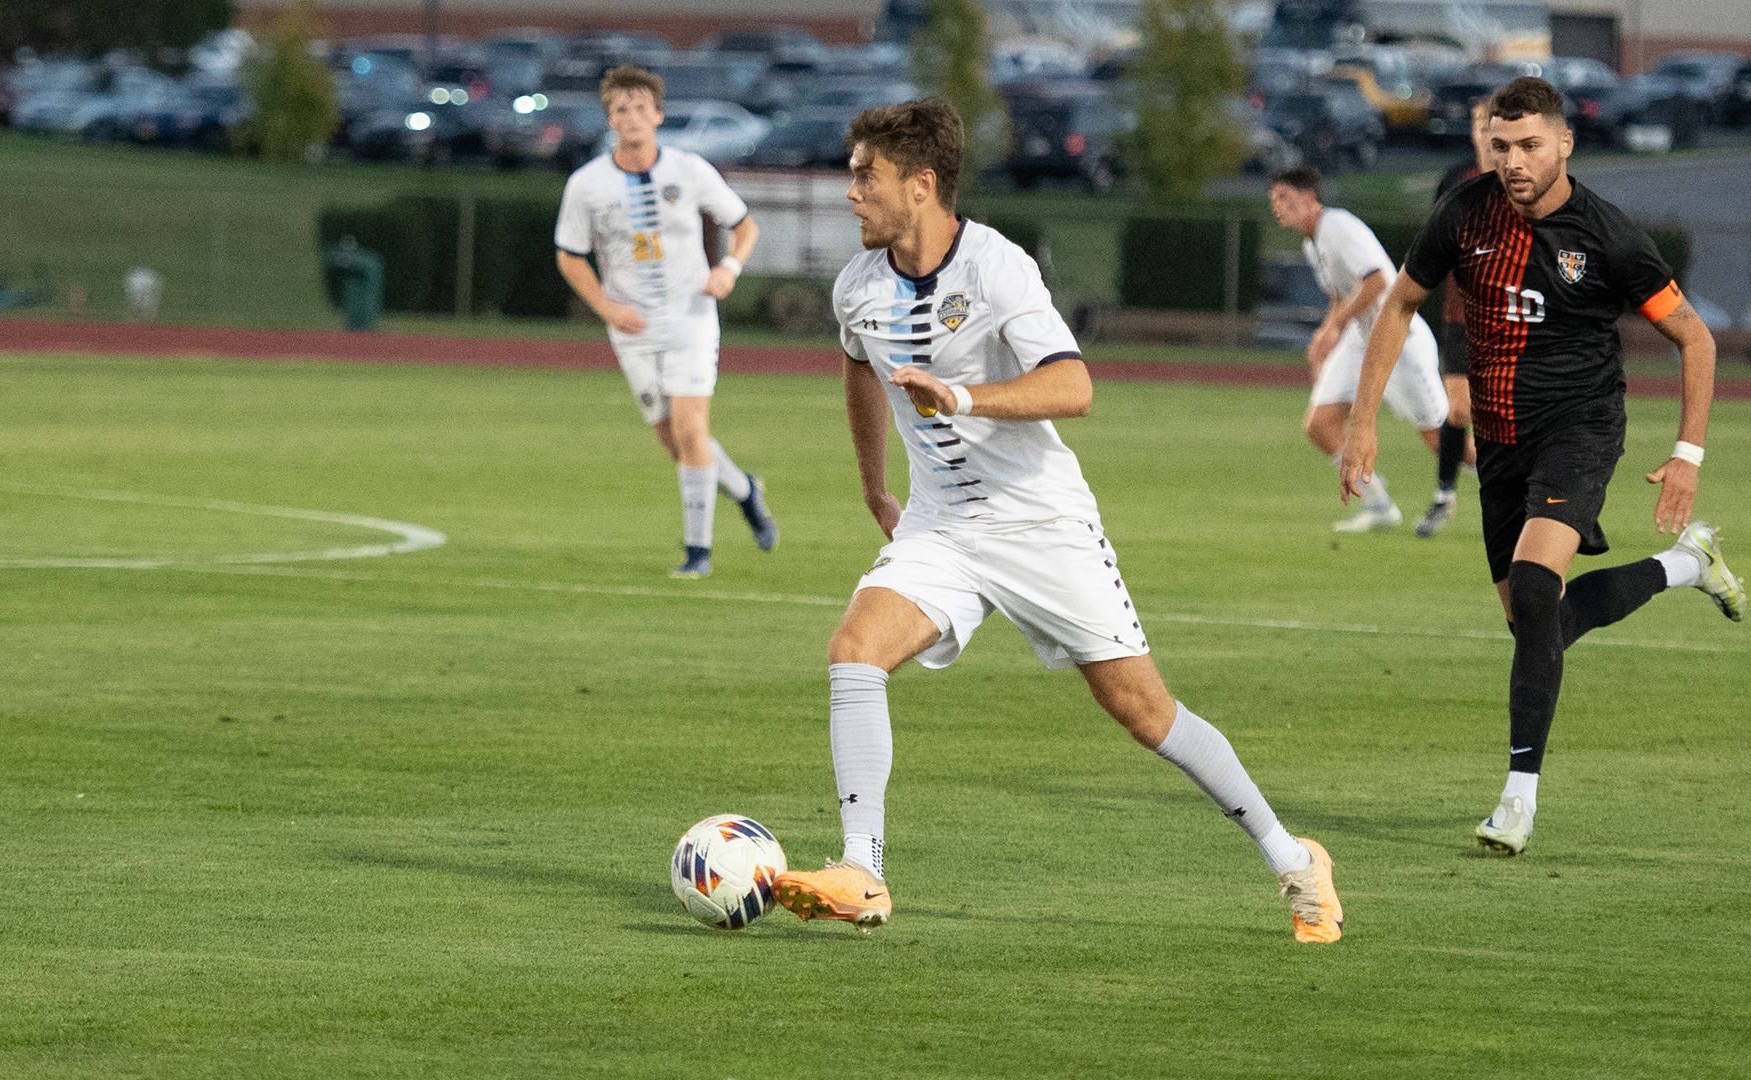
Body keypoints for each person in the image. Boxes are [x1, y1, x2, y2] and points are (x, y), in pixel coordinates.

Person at [769, 99, 1344, 943]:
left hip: (1042, 523)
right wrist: (874, 485)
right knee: (854, 651)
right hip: (942, 524)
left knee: (1145, 713)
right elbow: (859, 371)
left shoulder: (997, 268)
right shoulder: (857, 287)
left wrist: (963, 397)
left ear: (922, 185)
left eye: (866, 177)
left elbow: (1075, 387)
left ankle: (1295, 859)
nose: (850, 192)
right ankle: (863, 870)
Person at [1338, 77, 1746, 856]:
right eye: (1501, 146)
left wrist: (1686, 455)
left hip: (1581, 429)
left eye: (1529, 146)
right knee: (1539, 625)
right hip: (1500, 442)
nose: (1515, 161)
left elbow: (1697, 338)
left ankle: (1517, 800)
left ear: (1564, 144)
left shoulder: (1608, 236)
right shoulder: (1464, 213)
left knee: (1532, 587)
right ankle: (1687, 566)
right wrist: (1363, 423)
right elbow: (1398, 304)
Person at [554, 65, 777, 579]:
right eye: (619, 109)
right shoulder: (586, 184)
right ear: (609, 119)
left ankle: (697, 554)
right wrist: (606, 307)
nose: (630, 117)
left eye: (639, 107)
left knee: (691, 428)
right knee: (675, 443)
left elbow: (745, 227)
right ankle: (744, 490)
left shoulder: (691, 169)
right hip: (630, 328)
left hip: (691, 318)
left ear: (657, 115)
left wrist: (728, 268)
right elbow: (569, 255)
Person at [1268, 166, 1457, 533]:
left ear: (1309, 198)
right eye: (1274, 199)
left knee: (1441, 439)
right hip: (1362, 338)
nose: (1277, 206)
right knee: (1320, 423)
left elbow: (1377, 282)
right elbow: (1343, 295)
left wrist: (1336, 326)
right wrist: (1327, 331)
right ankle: (1380, 505)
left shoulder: (1337, 226)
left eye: (1284, 198)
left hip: (1400, 340)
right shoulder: (1312, 242)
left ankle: (1518, 486)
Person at [1416, 97, 1494, 539]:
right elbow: (1434, 243)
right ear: (1472, 131)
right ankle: (1445, 495)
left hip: (1511, 316)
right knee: (1459, 407)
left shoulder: (1518, 179)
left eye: (1493, 125)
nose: (1486, 133)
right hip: (1461, 313)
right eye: (1480, 125)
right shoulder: (1456, 181)